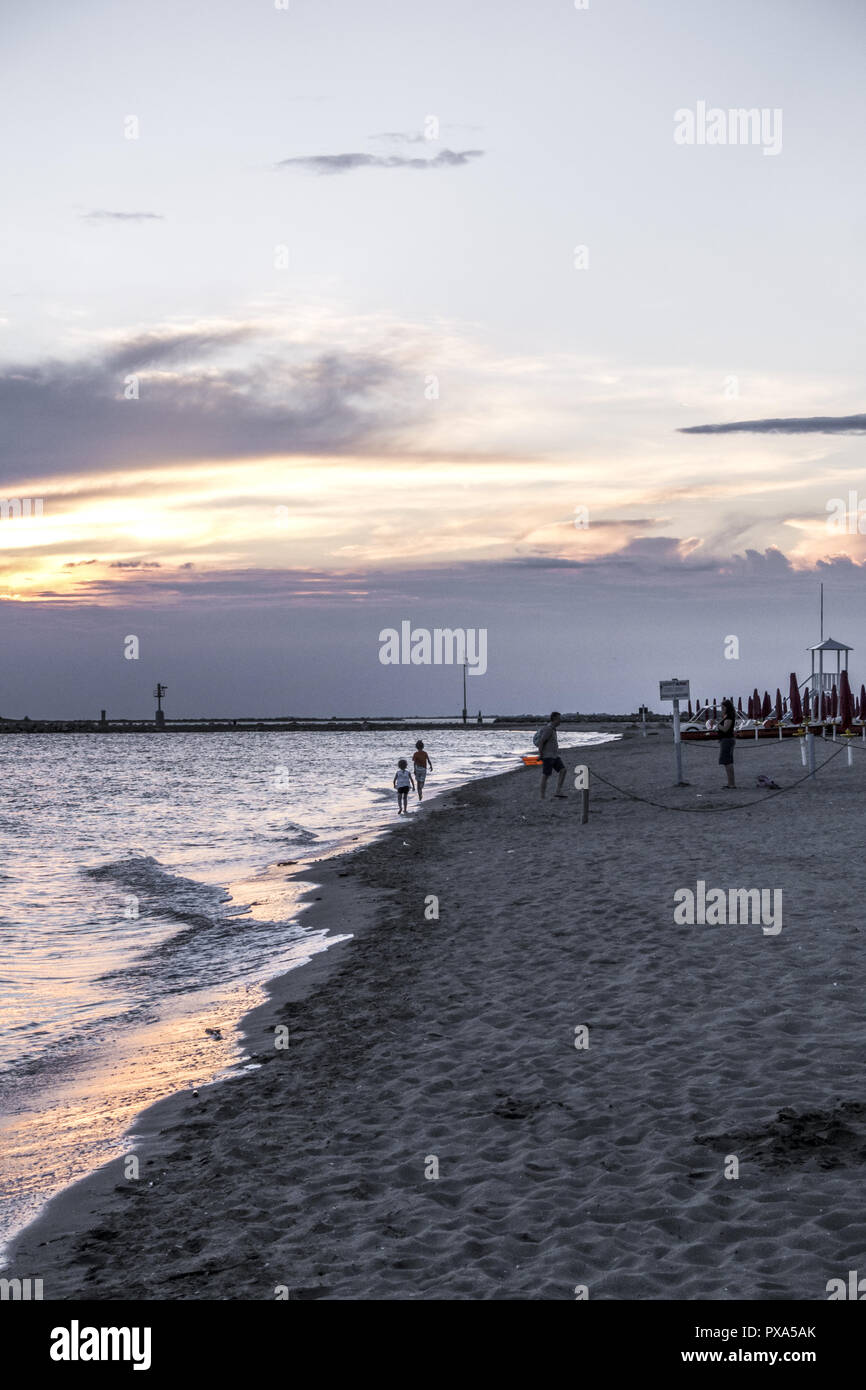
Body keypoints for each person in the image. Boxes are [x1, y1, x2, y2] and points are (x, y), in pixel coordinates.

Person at [536, 710, 567, 799]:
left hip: (554, 755)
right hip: (548, 756)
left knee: (563, 770)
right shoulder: (548, 729)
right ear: (554, 719)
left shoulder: (553, 729)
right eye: (559, 719)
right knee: (546, 775)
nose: (560, 721)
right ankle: (542, 796)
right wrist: (540, 755)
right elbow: (541, 742)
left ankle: (558, 791)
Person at [718, 697, 736, 788]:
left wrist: (717, 725)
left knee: (727, 762)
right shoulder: (726, 716)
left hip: (727, 740)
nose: (722, 709)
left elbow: (725, 729)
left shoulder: (729, 716)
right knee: (727, 762)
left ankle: (731, 784)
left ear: (727, 708)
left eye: (723, 708)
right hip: (725, 740)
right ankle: (730, 783)